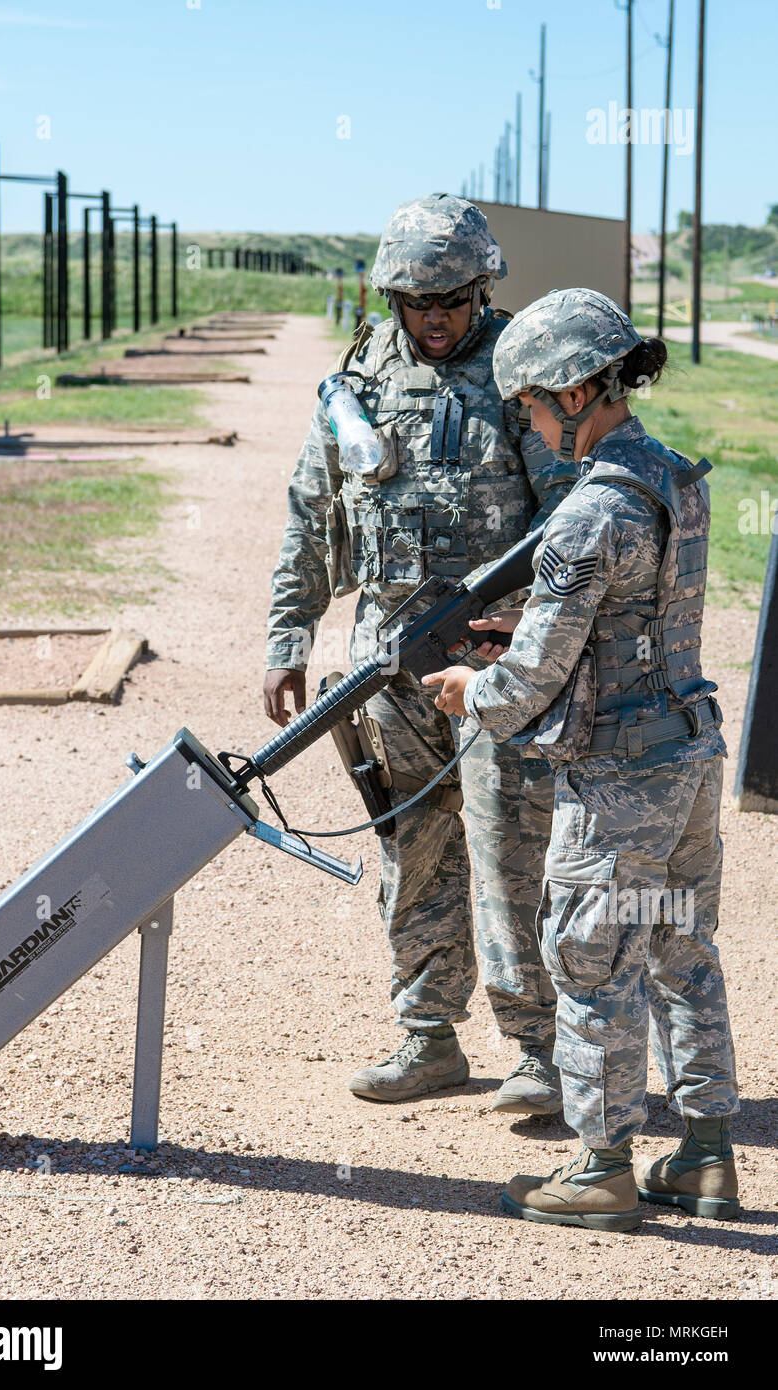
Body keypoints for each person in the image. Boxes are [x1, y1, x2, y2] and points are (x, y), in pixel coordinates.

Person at [422, 286, 739, 1230]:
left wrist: (466, 688)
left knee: (590, 962)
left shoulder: (584, 514)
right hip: (686, 752)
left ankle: (600, 1167)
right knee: (682, 951)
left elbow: (524, 690)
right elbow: (632, 617)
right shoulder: (675, 474)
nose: (524, 415)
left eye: (527, 400)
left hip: (615, 780)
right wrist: (519, 630)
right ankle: (705, 1157)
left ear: (572, 389)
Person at [265, 195, 574, 1113]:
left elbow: (574, 520)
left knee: (514, 851)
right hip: (390, 667)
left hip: (497, 666)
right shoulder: (357, 379)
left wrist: (529, 636)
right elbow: (313, 519)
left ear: (482, 288)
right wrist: (288, 638)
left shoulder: (527, 373)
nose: (435, 319)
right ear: (391, 297)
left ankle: (541, 1053)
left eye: (452, 300)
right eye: (416, 301)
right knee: (414, 847)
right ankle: (427, 1035)